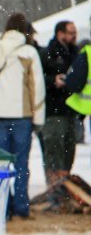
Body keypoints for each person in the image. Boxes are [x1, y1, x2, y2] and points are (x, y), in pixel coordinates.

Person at [0, 12, 45, 219]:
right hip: (21, 114)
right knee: (21, 162)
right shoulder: (28, 52)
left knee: (0, 163)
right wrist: (38, 118)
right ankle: (20, 206)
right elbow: (37, 88)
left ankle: (3, 206)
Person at [41, 20, 79, 185]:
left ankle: (65, 184)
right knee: (54, 150)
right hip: (53, 110)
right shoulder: (48, 53)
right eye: (71, 32)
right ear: (60, 33)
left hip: (71, 110)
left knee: (68, 151)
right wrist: (52, 80)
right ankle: (53, 187)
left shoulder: (76, 54)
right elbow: (38, 79)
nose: (74, 36)